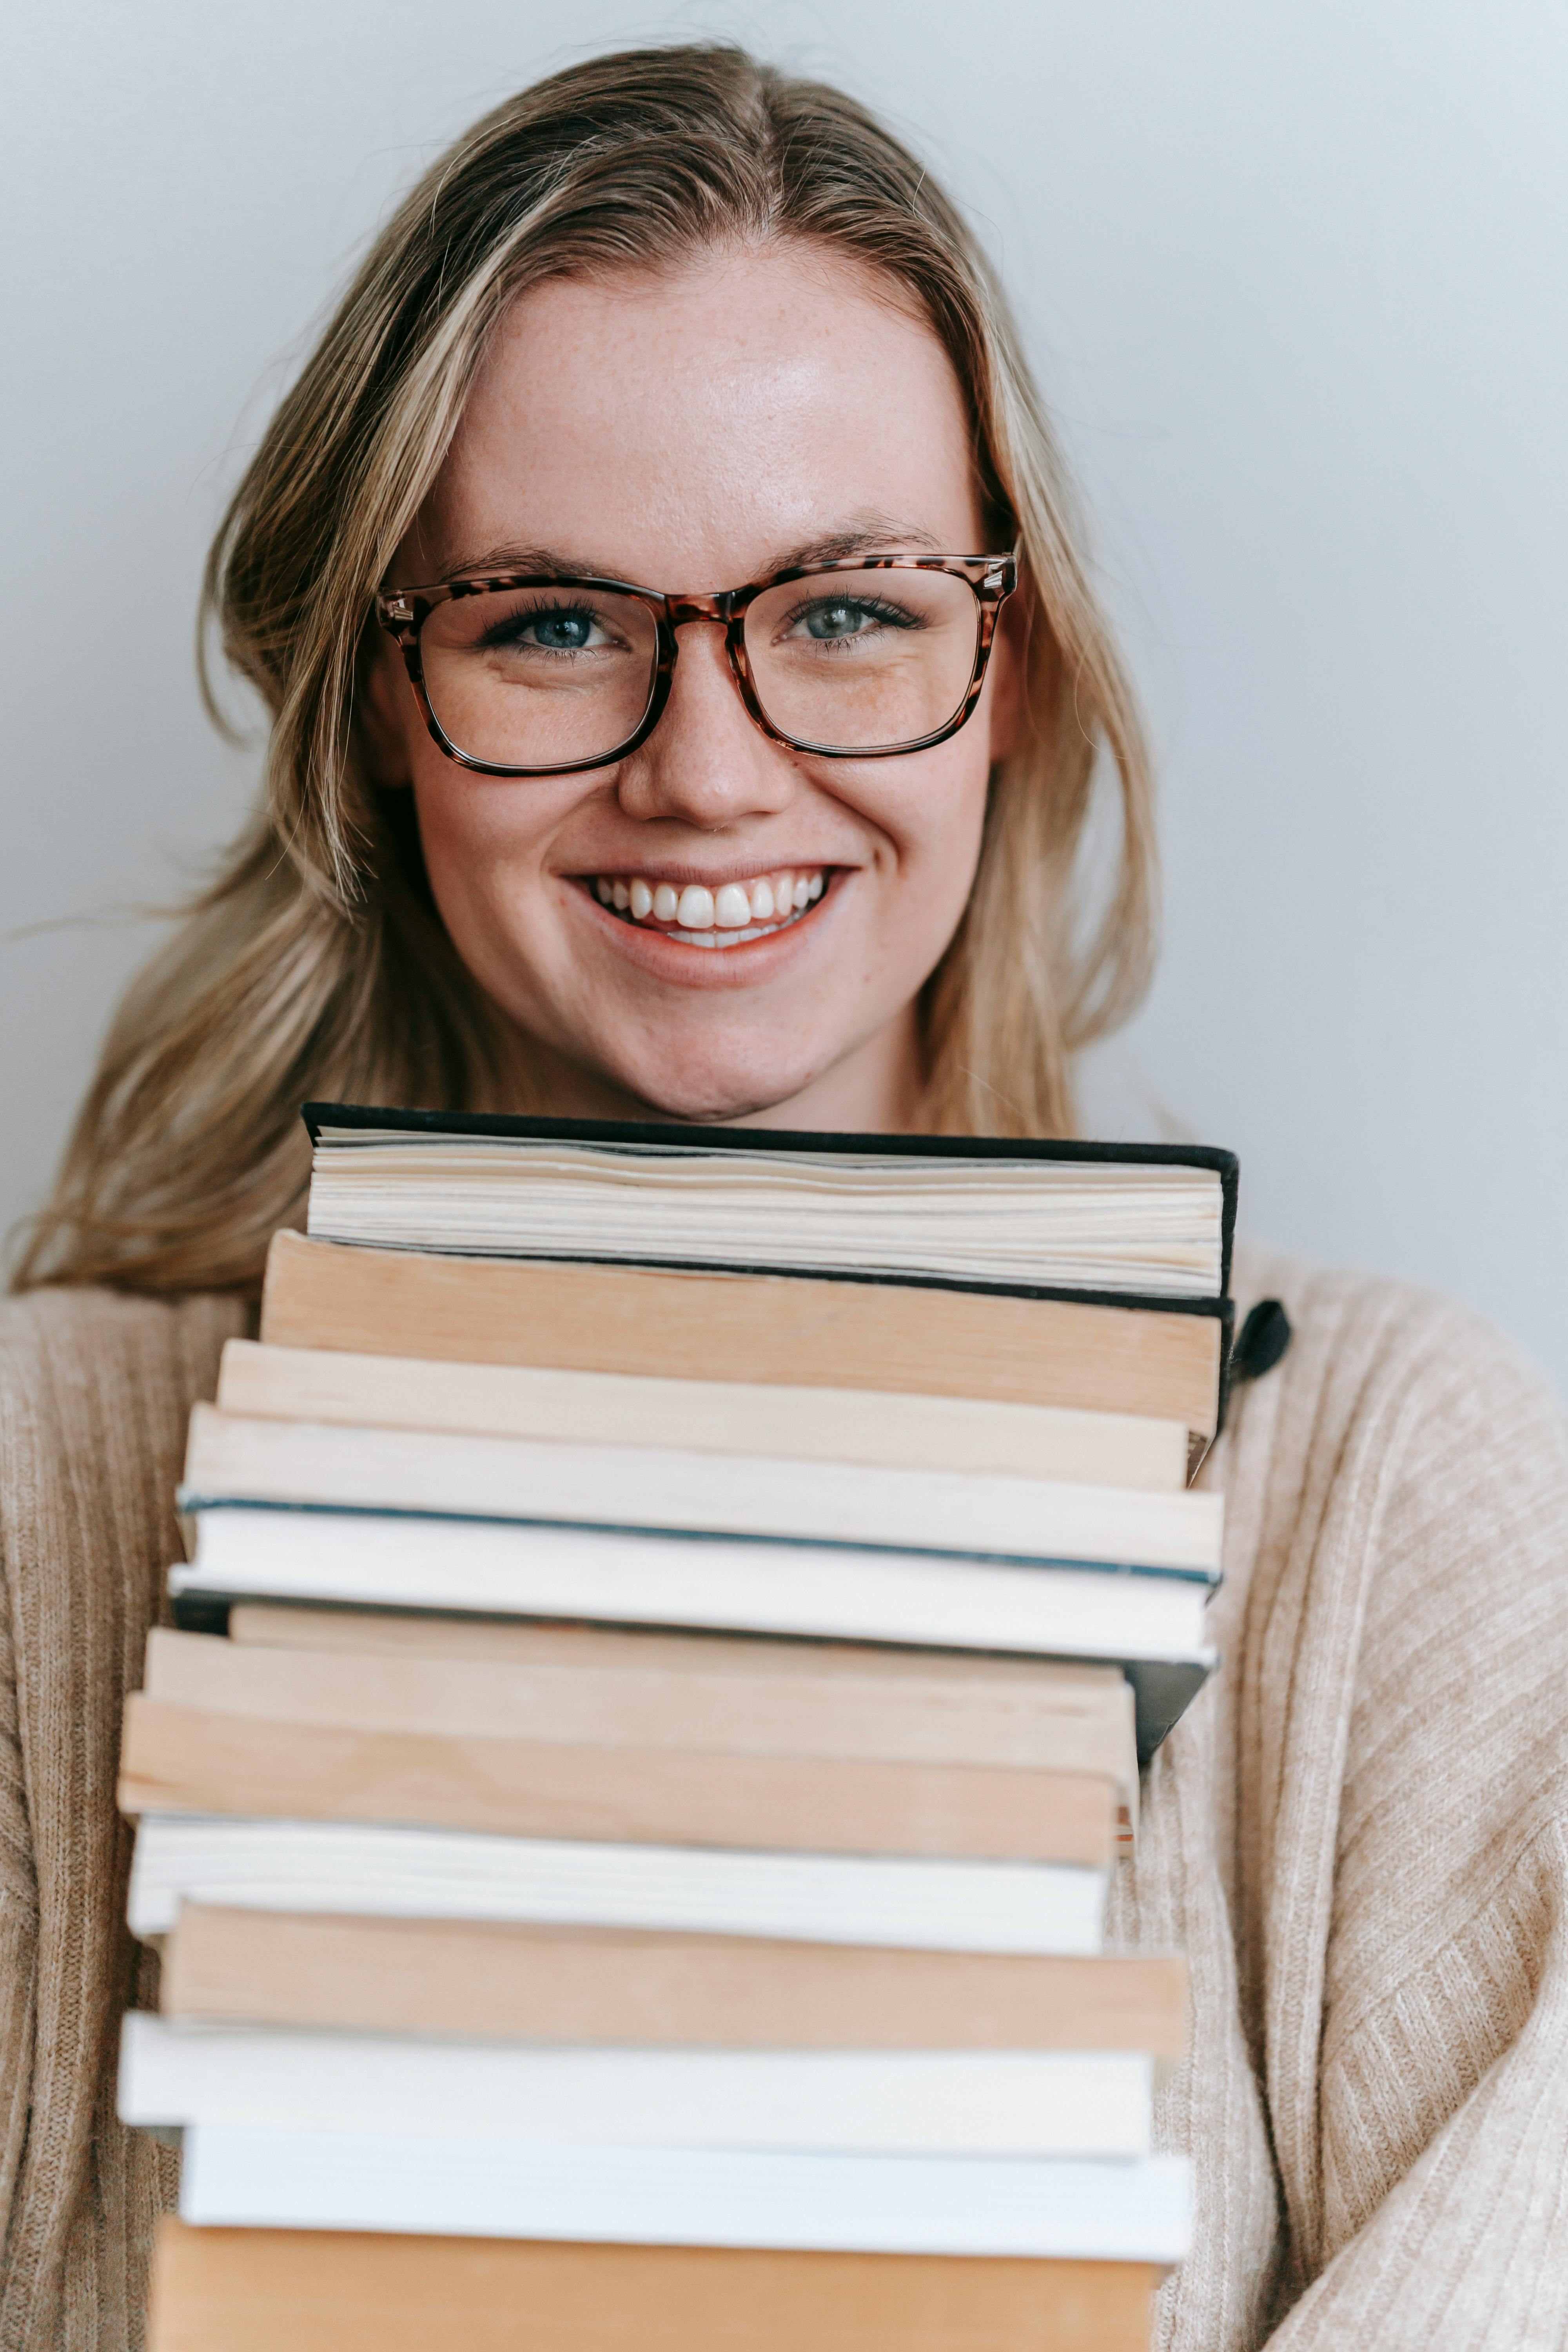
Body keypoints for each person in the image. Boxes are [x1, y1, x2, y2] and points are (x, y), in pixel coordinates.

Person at [2, 43, 1564, 2352]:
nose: (711, 772)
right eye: (550, 620)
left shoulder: (1389, 1494)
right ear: (376, 708)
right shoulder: (42, 1484)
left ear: (1005, 674)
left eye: (845, 611)